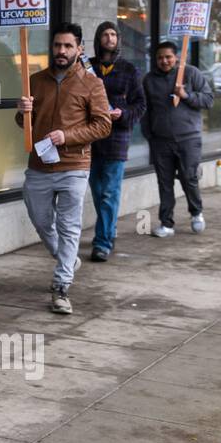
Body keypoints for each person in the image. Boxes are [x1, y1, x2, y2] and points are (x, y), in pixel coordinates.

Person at [15, 22, 112, 315]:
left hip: (74, 165)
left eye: (68, 46)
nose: (61, 51)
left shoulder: (92, 84)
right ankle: (67, 260)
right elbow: (24, 126)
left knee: (69, 227)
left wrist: (66, 136)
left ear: (79, 49)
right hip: (39, 166)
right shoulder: (35, 80)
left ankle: (61, 287)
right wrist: (22, 113)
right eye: (57, 45)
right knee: (41, 220)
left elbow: (103, 125)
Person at [140, 40, 213, 238]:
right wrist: (150, 135)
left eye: (168, 57)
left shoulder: (190, 73)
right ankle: (166, 223)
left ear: (177, 57)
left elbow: (208, 99)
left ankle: (196, 212)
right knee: (164, 183)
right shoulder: (149, 80)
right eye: (160, 58)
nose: (164, 61)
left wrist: (186, 95)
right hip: (160, 140)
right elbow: (146, 111)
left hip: (188, 138)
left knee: (189, 178)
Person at [87, 21, 146, 262]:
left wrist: (122, 114)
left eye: (113, 34)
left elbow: (140, 105)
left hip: (117, 140)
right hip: (89, 139)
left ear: (118, 39)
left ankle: (102, 242)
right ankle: (108, 232)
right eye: (105, 34)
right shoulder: (87, 67)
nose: (110, 38)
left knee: (109, 193)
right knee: (97, 191)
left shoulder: (129, 70)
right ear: (98, 39)